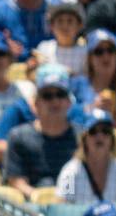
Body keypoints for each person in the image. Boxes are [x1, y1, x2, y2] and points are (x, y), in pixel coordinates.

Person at [5, 64, 82, 199]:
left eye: (60, 95)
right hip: (33, 209)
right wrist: (42, 197)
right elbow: (16, 181)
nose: (55, 101)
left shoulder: (81, 137)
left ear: (69, 102)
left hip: (73, 204)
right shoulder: (19, 137)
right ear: (36, 103)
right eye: (47, 96)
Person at [56, 108, 116, 204]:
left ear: (112, 139)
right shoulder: (70, 173)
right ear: (84, 139)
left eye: (105, 131)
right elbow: (63, 207)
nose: (100, 136)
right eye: (93, 131)